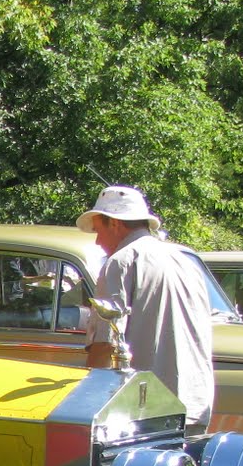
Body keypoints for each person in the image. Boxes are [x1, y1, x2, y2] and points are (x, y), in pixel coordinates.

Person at [77, 185, 214, 434]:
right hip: (195, 401)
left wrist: (86, 404)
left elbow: (105, 345)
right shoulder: (184, 260)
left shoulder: (120, 262)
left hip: (148, 407)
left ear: (115, 224)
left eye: (98, 230)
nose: (97, 241)